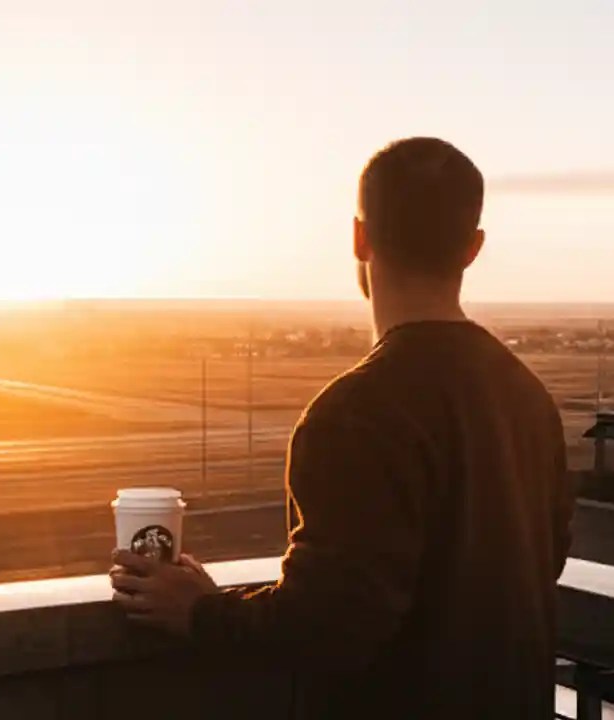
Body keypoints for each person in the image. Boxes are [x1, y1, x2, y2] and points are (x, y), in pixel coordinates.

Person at [110, 137, 573, 718]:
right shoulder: (527, 397)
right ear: (473, 248)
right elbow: (543, 563)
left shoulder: (355, 413)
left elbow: (327, 626)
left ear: (359, 237)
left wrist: (201, 612)